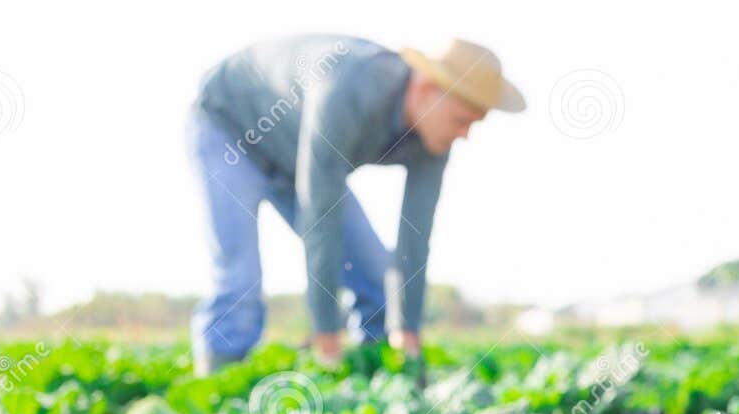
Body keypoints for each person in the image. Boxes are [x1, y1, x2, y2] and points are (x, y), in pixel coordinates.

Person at [188, 36, 523, 372]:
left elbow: (415, 234)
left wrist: (408, 332)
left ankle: (371, 381)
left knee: (377, 283)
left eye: (473, 124)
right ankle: (218, 392)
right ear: (425, 88)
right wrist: (327, 336)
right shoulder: (349, 86)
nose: (465, 135)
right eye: (461, 120)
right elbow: (321, 219)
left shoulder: (436, 135)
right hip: (230, 129)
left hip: (302, 159)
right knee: (240, 284)